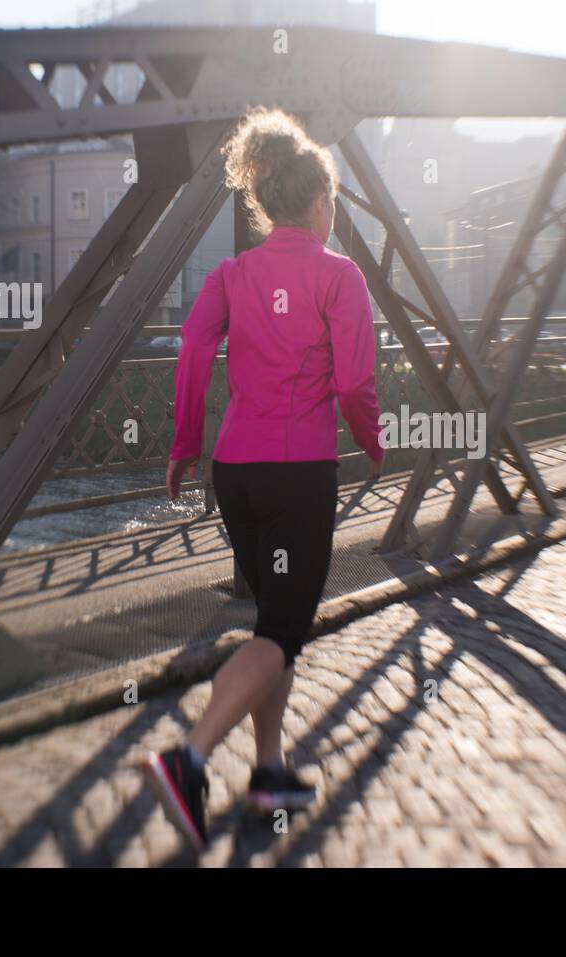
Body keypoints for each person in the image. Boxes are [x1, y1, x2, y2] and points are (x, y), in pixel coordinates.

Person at [140, 107, 384, 853]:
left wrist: (183, 443)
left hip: (234, 473)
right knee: (284, 628)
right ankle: (189, 755)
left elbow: (190, 350)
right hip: (298, 473)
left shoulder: (230, 274)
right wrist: (374, 441)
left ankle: (270, 770)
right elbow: (353, 381)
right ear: (320, 203)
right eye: (334, 202)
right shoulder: (340, 277)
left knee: (268, 627)